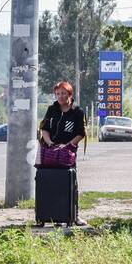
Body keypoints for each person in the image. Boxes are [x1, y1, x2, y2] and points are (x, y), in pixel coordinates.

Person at [38, 80, 87, 225]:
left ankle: (74, 216)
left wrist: (68, 146)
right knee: (51, 182)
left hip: (67, 153)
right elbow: (45, 128)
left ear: (69, 94)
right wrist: (49, 143)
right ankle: (54, 215)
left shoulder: (77, 111)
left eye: (63, 93)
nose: (60, 96)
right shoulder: (51, 109)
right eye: (58, 93)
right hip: (50, 152)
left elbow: (80, 133)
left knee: (71, 183)